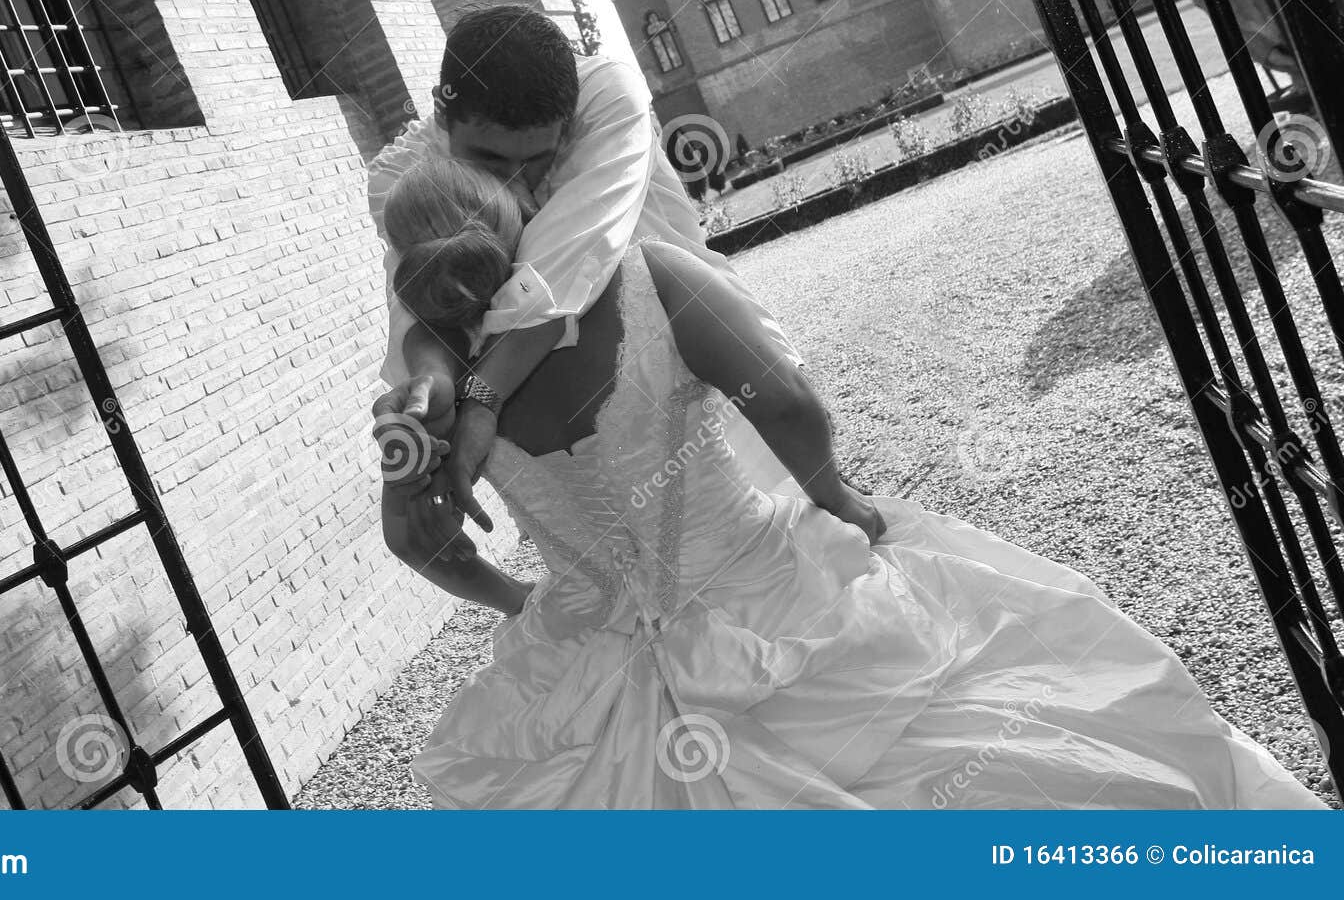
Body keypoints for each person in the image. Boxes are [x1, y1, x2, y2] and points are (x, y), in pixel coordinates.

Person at [379, 157, 1325, 809]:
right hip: (764, 591)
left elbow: (417, 539)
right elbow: (786, 404)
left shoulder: (425, 388)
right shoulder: (642, 279)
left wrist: (521, 602)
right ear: (518, 207)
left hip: (584, 662)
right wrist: (837, 498)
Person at [368, 5, 796, 566]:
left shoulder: (608, 96)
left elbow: (565, 261)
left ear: (566, 124)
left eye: (539, 161)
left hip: (676, 346)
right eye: (489, 160)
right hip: (544, 399)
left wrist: (480, 401)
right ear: (444, 114)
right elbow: (425, 305)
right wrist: (432, 377)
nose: (519, 187)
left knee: (764, 524)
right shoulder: (399, 179)